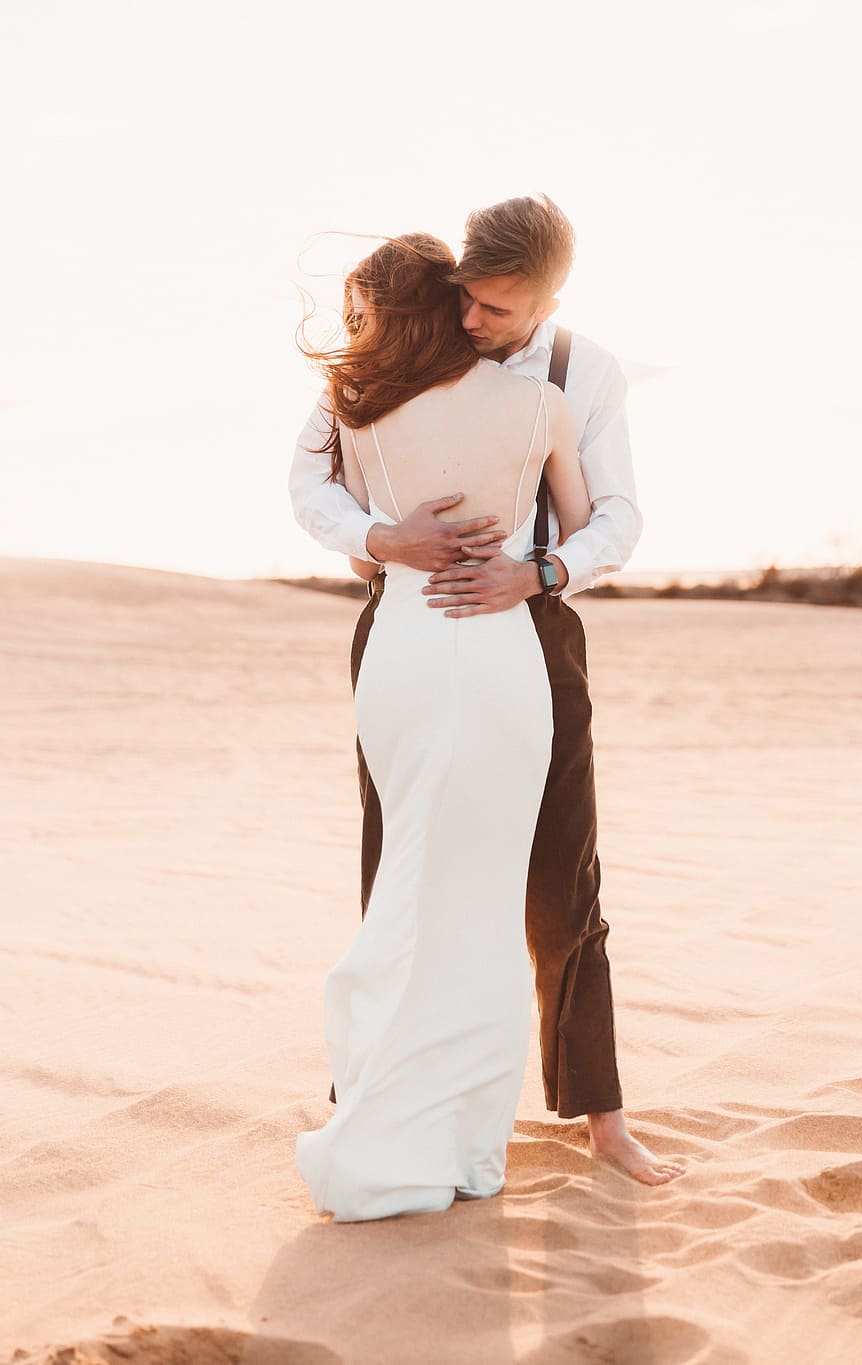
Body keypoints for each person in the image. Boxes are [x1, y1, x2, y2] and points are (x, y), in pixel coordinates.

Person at [291, 195, 686, 1188]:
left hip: (533, 627)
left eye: (497, 310)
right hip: (405, 626)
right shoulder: (394, 355)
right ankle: (372, 1096)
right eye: (465, 298)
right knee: (399, 861)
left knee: (561, 879)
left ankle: (601, 1117)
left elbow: (618, 517)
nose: (471, 321)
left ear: (548, 302)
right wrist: (381, 538)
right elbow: (313, 482)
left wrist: (536, 573)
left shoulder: (582, 373)